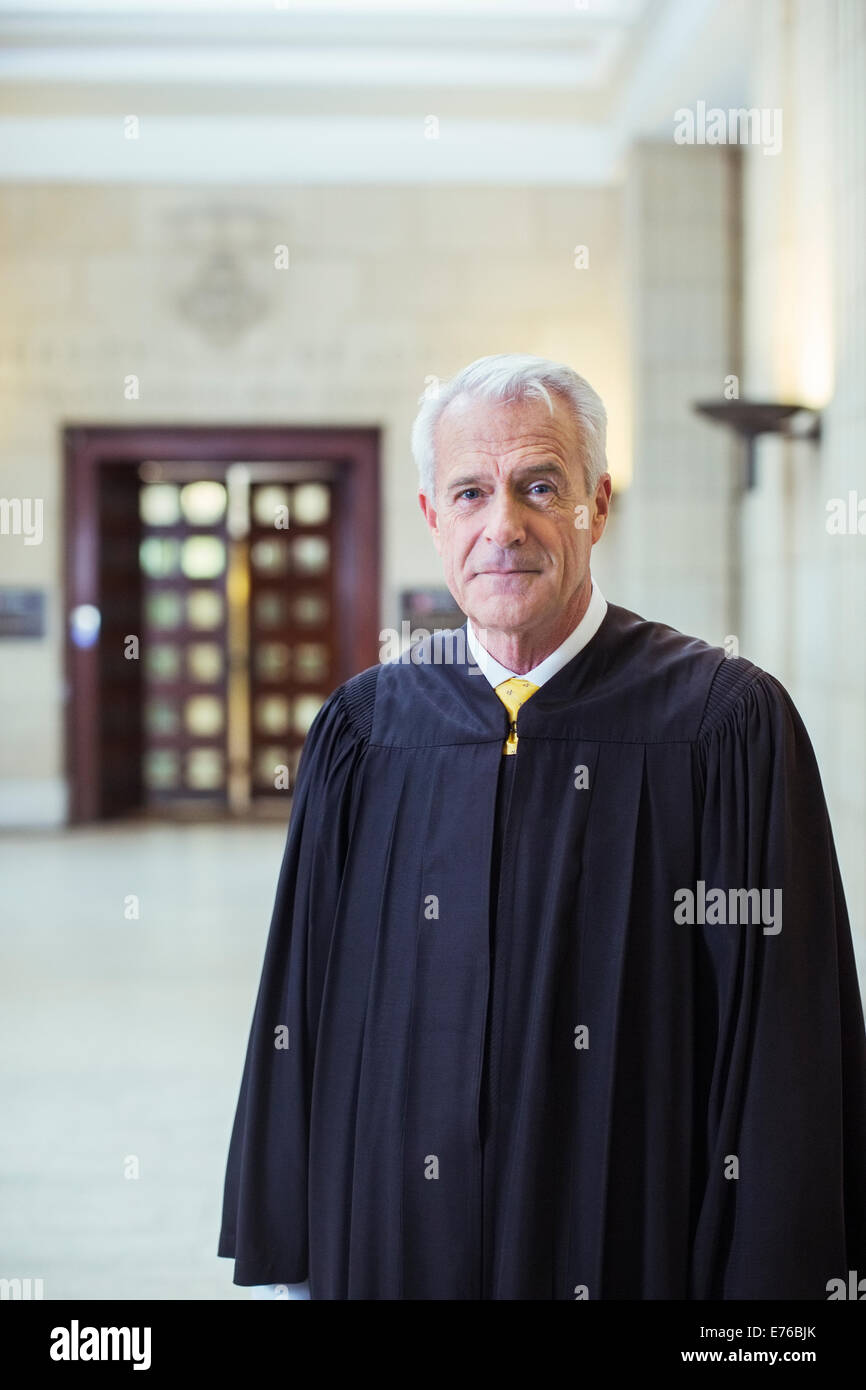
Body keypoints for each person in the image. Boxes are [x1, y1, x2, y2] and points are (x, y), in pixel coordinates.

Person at [219, 353, 866, 1300]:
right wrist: (298, 1253)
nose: (503, 526)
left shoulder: (723, 725)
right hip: (399, 1245)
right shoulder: (365, 732)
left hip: (634, 1240)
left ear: (596, 506)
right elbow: (301, 1007)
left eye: (539, 486)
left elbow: (785, 1042)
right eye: (471, 493)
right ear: (434, 517)